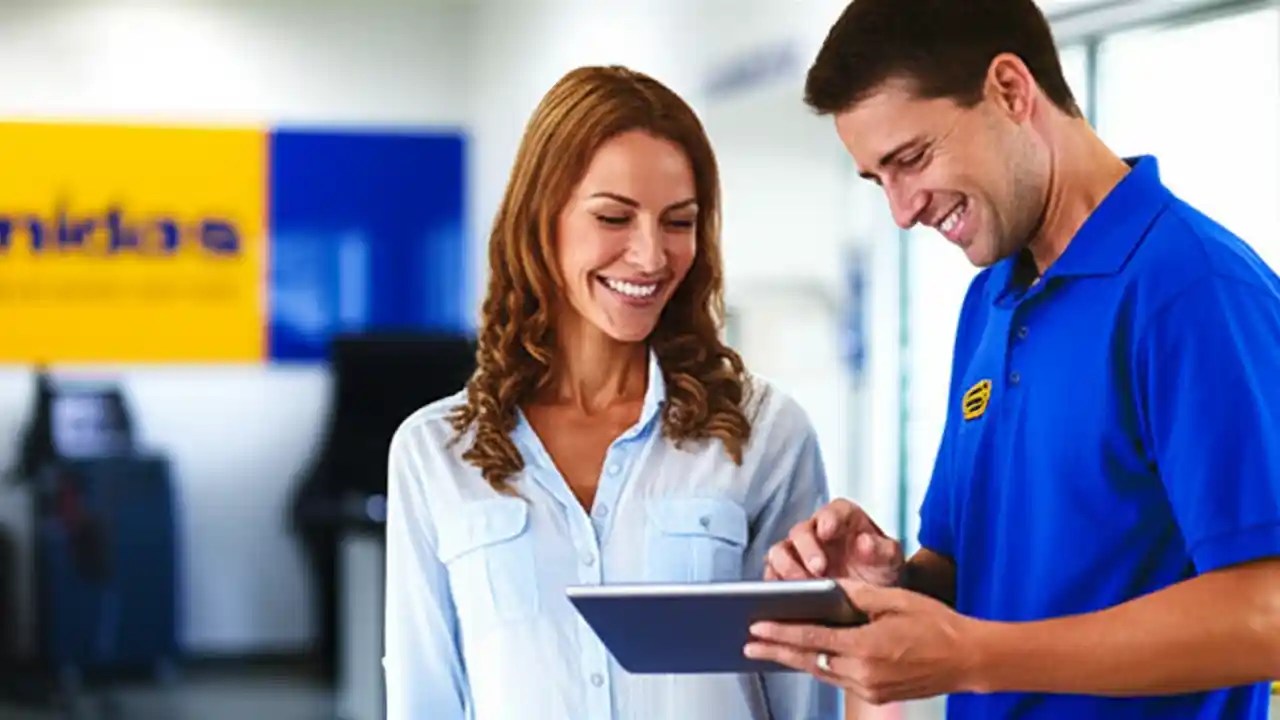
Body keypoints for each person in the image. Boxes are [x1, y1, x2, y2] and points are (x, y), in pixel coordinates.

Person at [743, 1, 1280, 718]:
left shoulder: (1193, 290)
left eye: (911, 159)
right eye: (878, 180)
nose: (902, 211)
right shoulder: (991, 301)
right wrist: (882, 584)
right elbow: (973, 576)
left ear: (1009, 90)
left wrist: (975, 657)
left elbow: (1267, 611)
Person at [382, 64, 840, 720]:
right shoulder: (436, 452)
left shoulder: (766, 433)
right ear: (542, 218)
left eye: (678, 222)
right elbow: (425, 698)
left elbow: (802, 695)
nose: (651, 256)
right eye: (614, 217)